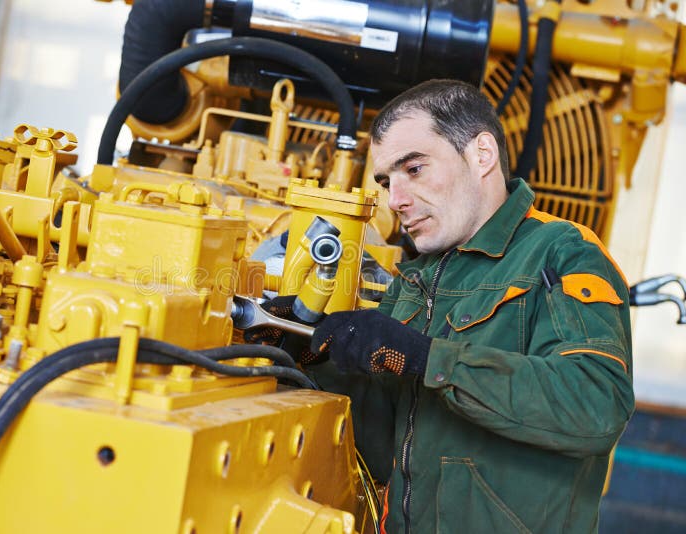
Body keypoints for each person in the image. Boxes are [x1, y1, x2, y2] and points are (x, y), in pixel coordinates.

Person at [255, 79, 634, 533]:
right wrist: (307, 356)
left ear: (481, 155)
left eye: (413, 170)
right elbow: (381, 450)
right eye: (387, 181)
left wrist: (429, 359)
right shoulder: (414, 280)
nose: (395, 200)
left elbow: (595, 404)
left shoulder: (562, 254)